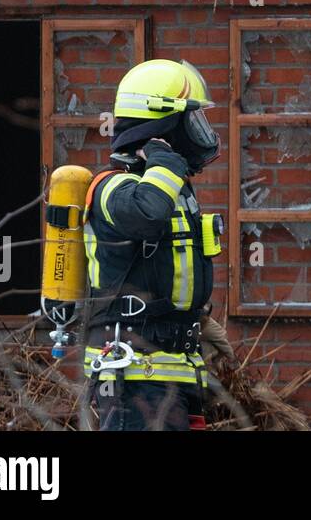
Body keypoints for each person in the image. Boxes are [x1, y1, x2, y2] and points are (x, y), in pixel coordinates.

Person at [82, 59, 223, 431]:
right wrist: (163, 159)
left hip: (173, 372)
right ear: (162, 127)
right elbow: (146, 215)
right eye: (189, 121)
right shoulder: (112, 188)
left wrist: (197, 319)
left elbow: (166, 271)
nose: (198, 132)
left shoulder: (169, 189)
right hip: (133, 375)